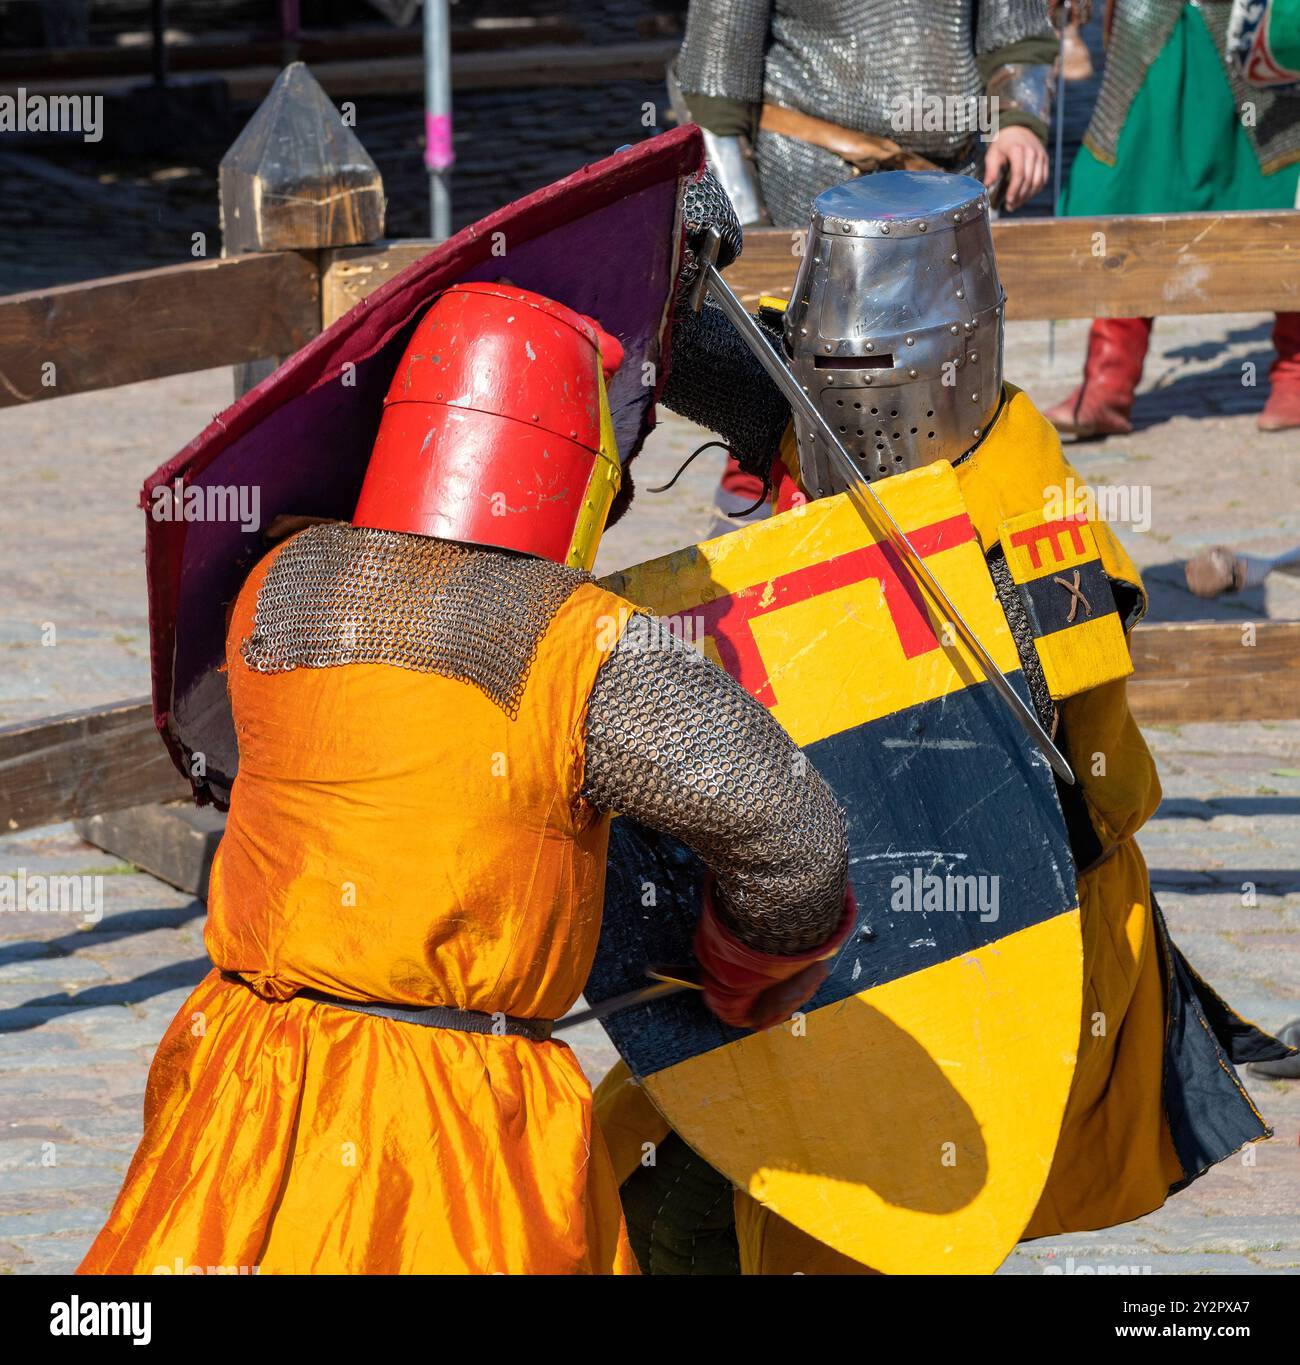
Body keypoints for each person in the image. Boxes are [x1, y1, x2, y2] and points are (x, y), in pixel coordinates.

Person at [78, 281, 851, 1275]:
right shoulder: (585, 648)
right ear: (580, 464)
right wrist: (739, 972)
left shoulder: (281, 584)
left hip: (240, 1078)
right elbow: (793, 835)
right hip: (442, 1123)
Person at [597, 169, 1292, 1273]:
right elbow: (727, 363)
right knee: (679, 1196)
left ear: (956, 361)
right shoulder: (827, 414)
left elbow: (1018, 803)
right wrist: (667, 275)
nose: (850, 405)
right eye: (827, 373)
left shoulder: (1037, 529)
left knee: (841, 1215)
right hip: (815, 939)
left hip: (1002, 947)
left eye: (872, 376)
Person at [669, 0, 1060, 527]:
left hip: (939, 198)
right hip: (814, 187)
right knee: (790, 397)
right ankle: (758, 542)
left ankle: (942, 546)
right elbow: (715, 87)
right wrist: (749, 234)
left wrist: (1017, 121)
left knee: (945, 397)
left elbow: (1014, 28)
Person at [1044, 0, 1300, 436]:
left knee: (1279, 192)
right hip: (1153, 24)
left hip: (1251, 29)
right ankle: (1109, 378)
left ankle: (1294, 373)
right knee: (1132, 189)